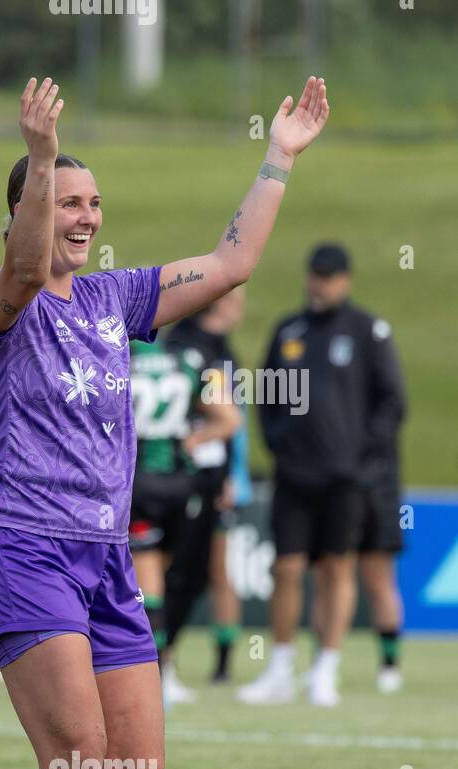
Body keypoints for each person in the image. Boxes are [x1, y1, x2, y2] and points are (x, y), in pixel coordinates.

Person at [0, 76, 328, 769]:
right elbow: (28, 268)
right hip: (21, 550)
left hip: (104, 564)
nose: (84, 216)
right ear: (25, 211)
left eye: (92, 203)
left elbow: (232, 264)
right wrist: (40, 156)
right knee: (74, 756)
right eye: (67, 202)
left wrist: (279, 157)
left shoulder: (118, 297)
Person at [238, 243, 404, 707]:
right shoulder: (291, 331)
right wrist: (278, 445)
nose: (319, 284)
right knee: (286, 568)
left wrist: (365, 459)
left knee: (337, 566)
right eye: (314, 275)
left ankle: (325, 669)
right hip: (295, 476)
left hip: (346, 478)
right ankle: (280, 668)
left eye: (328, 277)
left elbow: (391, 401)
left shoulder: (368, 331)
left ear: (344, 280)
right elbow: (267, 394)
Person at [127, 334, 240, 705]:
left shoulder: (118, 357)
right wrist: (193, 440)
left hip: (135, 482)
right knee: (169, 581)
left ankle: (154, 677)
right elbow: (229, 418)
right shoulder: (187, 358)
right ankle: (164, 672)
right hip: (180, 484)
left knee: (149, 590)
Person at [160, 287, 250, 684]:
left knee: (213, 569)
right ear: (219, 303)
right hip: (180, 474)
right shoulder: (183, 346)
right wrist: (191, 444)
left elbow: (232, 424)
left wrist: (232, 474)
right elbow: (218, 417)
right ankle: (160, 659)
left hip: (215, 476)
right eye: (237, 301)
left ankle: (222, 664)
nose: (241, 310)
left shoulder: (226, 352)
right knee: (167, 569)